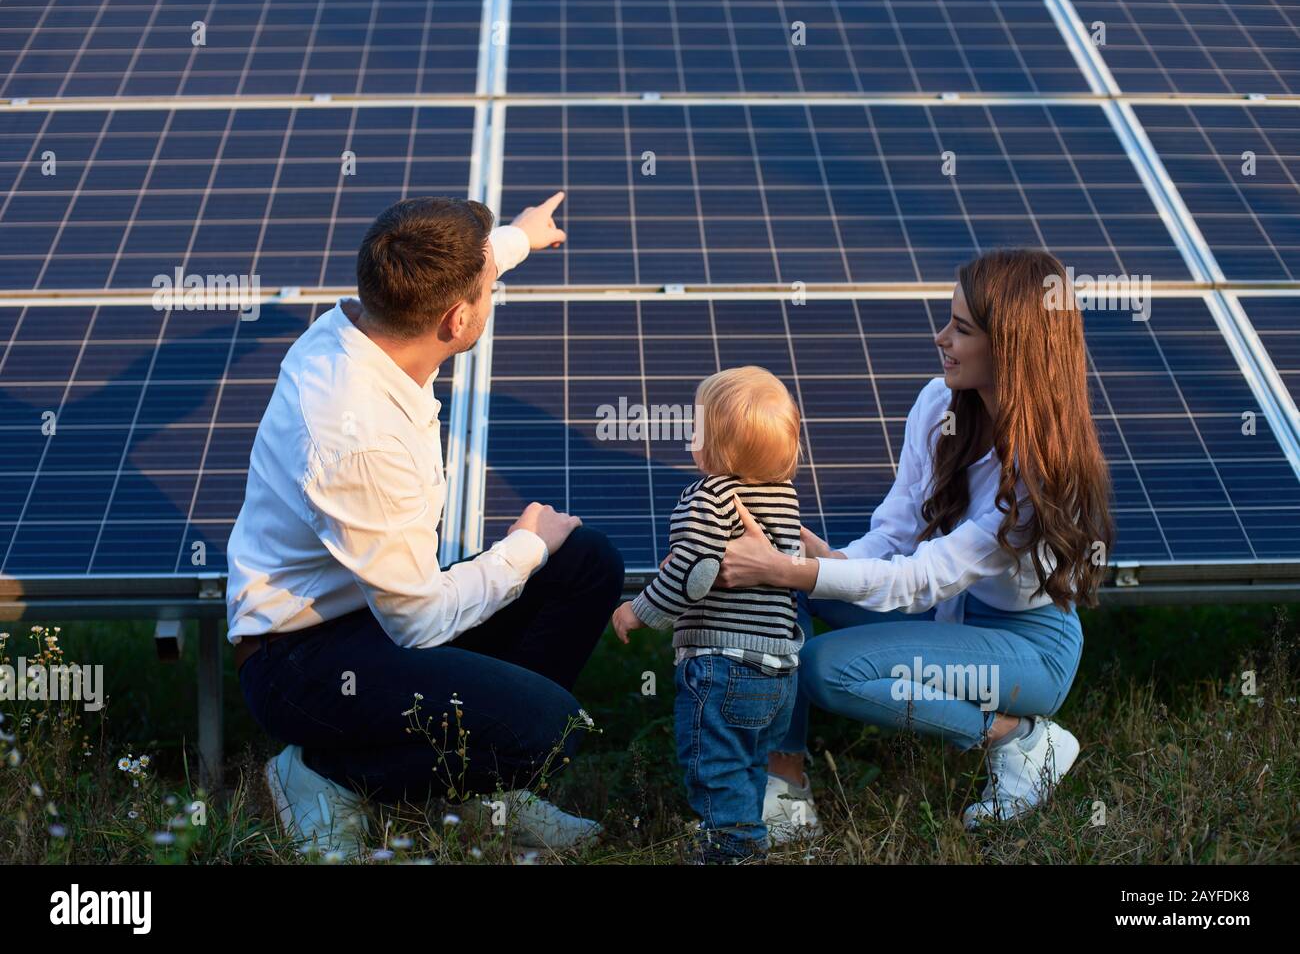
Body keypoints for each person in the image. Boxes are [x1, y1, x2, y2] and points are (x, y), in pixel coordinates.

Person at [226, 193, 624, 857]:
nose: (491, 293)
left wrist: (520, 239)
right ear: (458, 318)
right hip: (300, 657)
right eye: (487, 288)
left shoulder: (366, 318)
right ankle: (322, 775)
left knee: (585, 563)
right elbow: (418, 621)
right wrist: (523, 546)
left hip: (370, 606)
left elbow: (451, 281)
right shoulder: (355, 437)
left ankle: (481, 773)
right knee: (550, 729)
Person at [712, 249, 1113, 838]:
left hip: (1027, 644)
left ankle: (1021, 739)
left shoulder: (1041, 470)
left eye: (963, 329)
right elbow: (896, 534)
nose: (941, 336)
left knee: (825, 669)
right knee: (786, 582)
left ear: (1012, 348)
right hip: (947, 608)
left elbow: (923, 576)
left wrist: (799, 573)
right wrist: (828, 562)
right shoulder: (939, 405)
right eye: (948, 319)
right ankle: (785, 784)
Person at [612, 366, 804, 863]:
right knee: (749, 760)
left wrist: (639, 610)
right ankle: (750, 832)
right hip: (781, 669)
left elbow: (694, 573)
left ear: (716, 447)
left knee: (715, 766)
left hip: (724, 664)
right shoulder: (785, 498)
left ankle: (734, 851)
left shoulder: (710, 495)